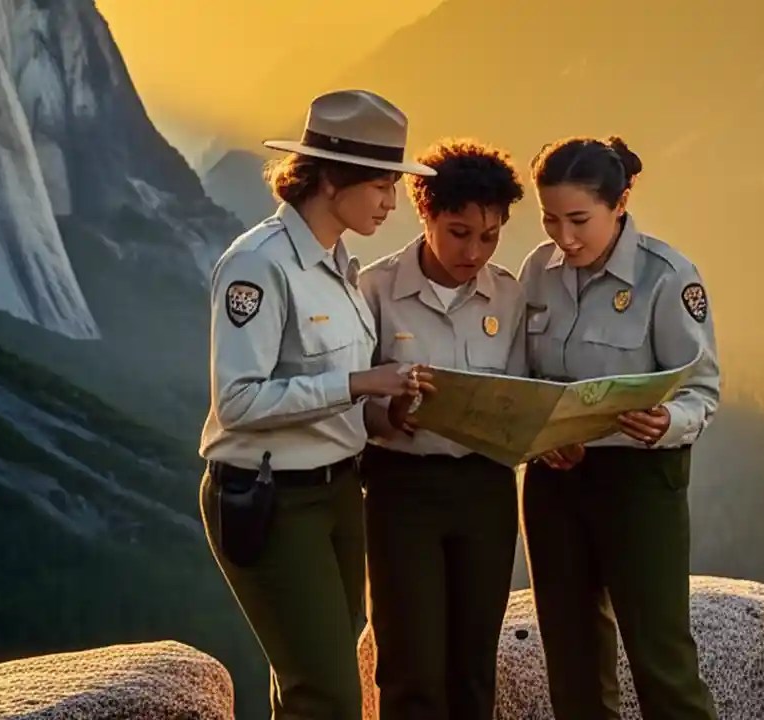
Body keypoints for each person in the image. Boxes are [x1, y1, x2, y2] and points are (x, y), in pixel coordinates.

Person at [197, 89, 436, 720]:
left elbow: (333, 394)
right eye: (382, 186)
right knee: (327, 693)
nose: (392, 202)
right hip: (267, 496)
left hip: (336, 492)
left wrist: (387, 413)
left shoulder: (336, 263)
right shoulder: (258, 264)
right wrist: (360, 385)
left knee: (309, 683)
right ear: (332, 179)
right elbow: (239, 402)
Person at [517, 135, 721, 720]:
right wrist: (537, 434)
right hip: (555, 481)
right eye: (550, 219)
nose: (565, 236)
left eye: (580, 219)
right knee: (572, 657)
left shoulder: (667, 277)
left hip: (641, 479)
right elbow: (523, 376)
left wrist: (666, 420)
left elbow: (701, 389)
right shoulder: (538, 271)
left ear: (619, 202)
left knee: (660, 657)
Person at [358, 137, 527, 720]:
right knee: (410, 668)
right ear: (424, 212)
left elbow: (524, 391)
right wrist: (390, 413)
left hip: (486, 490)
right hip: (401, 489)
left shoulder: (510, 297)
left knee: (474, 667)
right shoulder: (373, 290)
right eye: (459, 232)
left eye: (490, 235)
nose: (474, 250)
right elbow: (346, 400)